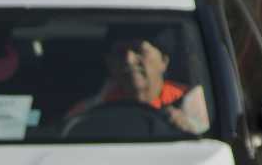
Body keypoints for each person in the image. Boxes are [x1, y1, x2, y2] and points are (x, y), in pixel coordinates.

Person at [64, 33, 208, 136]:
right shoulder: (87, 112)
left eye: (139, 51)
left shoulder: (197, 102)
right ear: (110, 64)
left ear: (163, 61)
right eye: (120, 53)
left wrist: (189, 128)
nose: (128, 60)